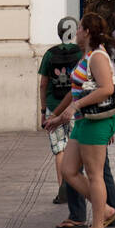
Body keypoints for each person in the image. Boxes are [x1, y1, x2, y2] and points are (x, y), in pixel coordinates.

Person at [45, 12, 115, 228]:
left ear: (87, 31)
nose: (76, 31)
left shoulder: (97, 56)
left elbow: (106, 88)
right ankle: (105, 209)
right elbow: (76, 89)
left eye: (79, 27)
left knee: (95, 174)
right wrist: (58, 115)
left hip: (95, 122)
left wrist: (75, 107)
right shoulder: (87, 56)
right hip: (83, 122)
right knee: (68, 170)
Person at [38, 16, 80, 204]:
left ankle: (62, 186)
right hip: (74, 107)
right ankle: (76, 188)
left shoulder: (49, 54)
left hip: (54, 107)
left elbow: (43, 83)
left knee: (59, 150)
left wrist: (43, 110)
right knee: (76, 147)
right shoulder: (81, 53)